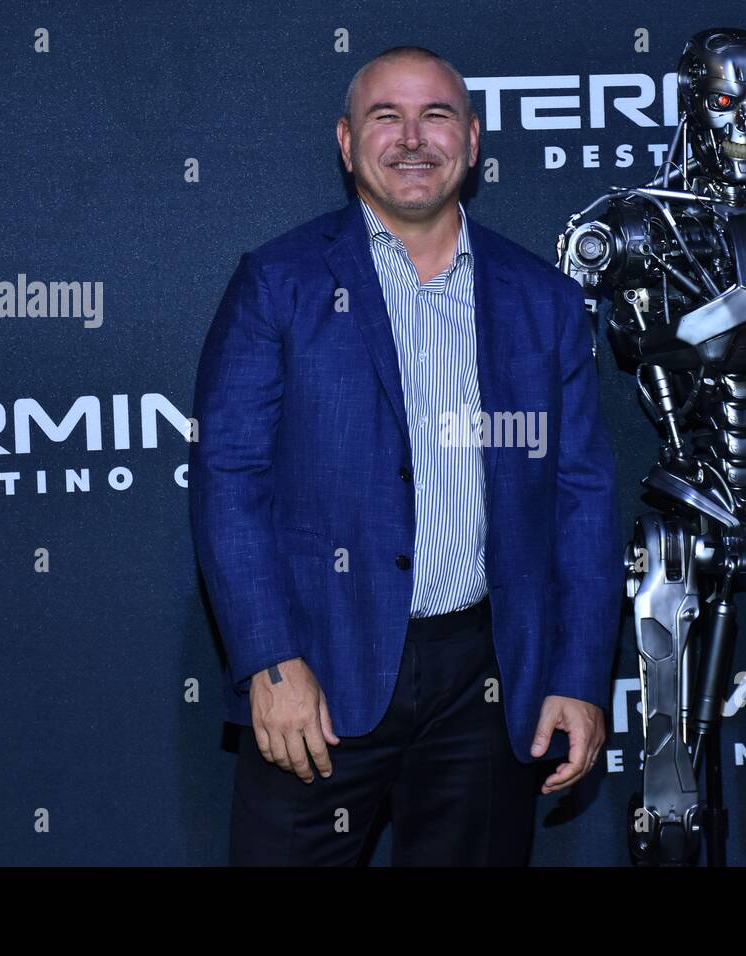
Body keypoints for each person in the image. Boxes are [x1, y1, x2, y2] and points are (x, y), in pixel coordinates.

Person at [189, 45, 620, 866]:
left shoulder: (545, 300)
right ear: (348, 143)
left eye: (437, 115)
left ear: (474, 140)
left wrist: (577, 674)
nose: (412, 138)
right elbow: (227, 479)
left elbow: (584, 500)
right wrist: (269, 662)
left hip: (488, 685)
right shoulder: (277, 284)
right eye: (387, 116)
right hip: (317, 670)